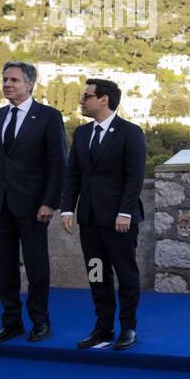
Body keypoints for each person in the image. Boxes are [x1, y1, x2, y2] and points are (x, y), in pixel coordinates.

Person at [0, 61, 67, 343]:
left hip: (34, 207)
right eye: (5, 79)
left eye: (13, 80)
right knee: (4, 267)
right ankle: (11, 322)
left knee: (37, 267)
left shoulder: (49, 116)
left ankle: (40, 321)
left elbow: (57, 163)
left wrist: (50, 202)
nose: (7, 84)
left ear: (30, 84)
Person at [60, 79, 147, 350]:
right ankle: (103, 327)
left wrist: (125, 212)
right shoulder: (82, 133)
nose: (81, 100)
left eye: (86, 96)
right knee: (97, 273)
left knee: (125, 273)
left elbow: (135, 177)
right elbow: (73, 174)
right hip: (89, 219)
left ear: (104, 100)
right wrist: (67, 208)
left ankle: (128, 328)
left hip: (120, 220)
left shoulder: (130, 133)